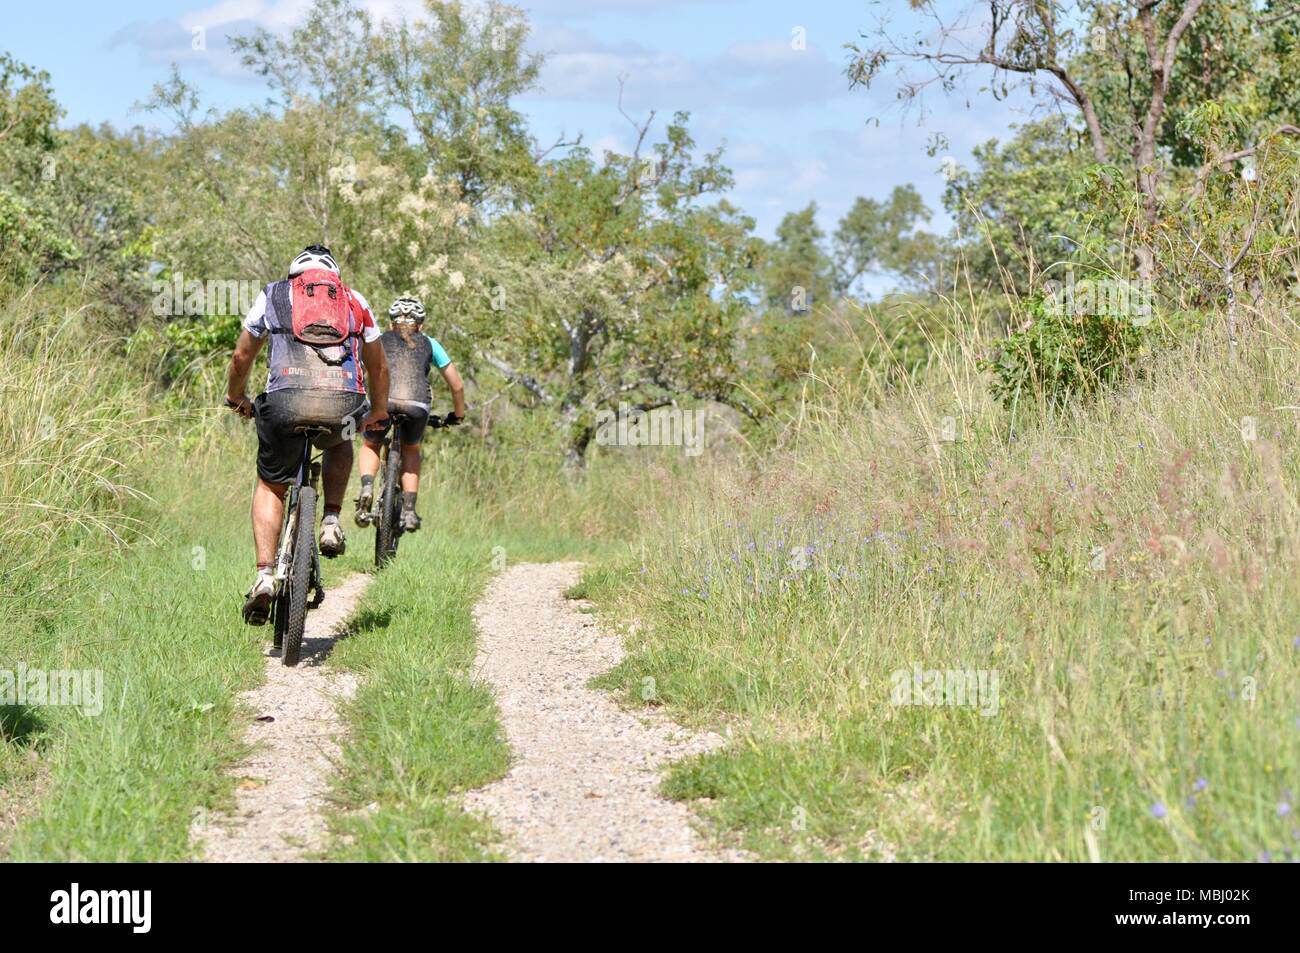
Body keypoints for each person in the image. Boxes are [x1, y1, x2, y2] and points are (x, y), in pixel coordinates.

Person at [225, 245, 390, 624]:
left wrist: (237, 397)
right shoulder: (354, 299)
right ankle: (331, 519)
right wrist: (378, 410)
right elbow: (377, 364)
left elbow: (241, 357)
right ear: (332, 276)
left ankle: (265, 574)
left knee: (271, 485)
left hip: (283, 402)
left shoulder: (273, 294)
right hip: (342, 403)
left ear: (294, 274)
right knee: (340, 440)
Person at [355, 296, 466, 532]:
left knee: (370, 445)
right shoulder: (431, 344)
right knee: (411, 449)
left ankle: (366, 486)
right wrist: (457, 415)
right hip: (417, 405)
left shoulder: (379, 340)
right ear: (421, 325)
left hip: (383, 403)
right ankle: (408, 510)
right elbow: (457, 386)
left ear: (391, 323)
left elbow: (362, 369)